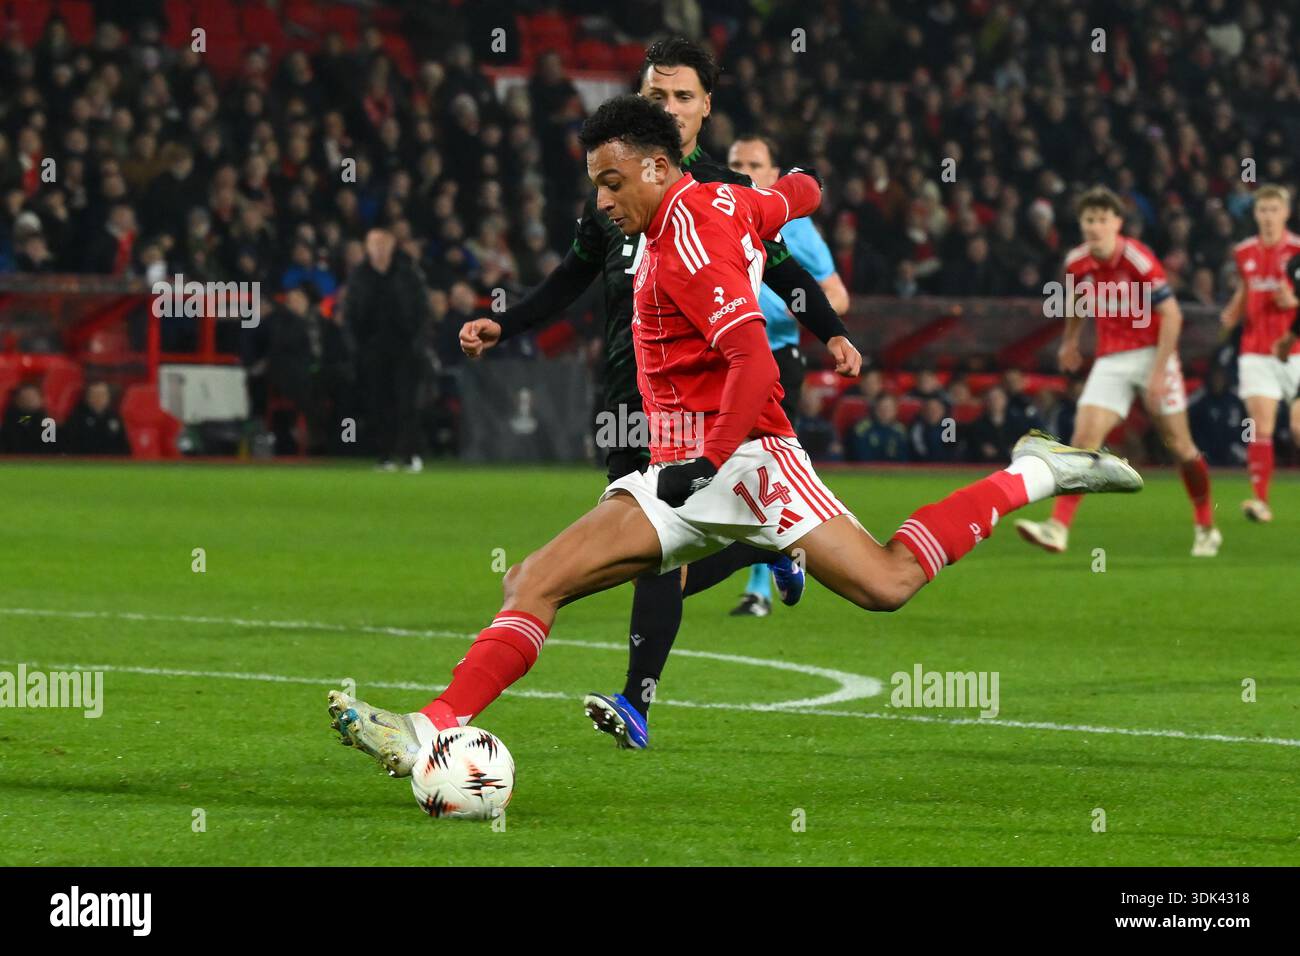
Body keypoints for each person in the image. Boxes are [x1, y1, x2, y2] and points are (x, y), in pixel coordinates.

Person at [327, 95, 1142, 780]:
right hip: (682, 464)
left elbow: (753, 363)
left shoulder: (688, 244)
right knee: (535, 580)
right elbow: (802, 191)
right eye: (596, 185)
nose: (603, 202)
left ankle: (1031, 473)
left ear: (656, 165)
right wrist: (793, 190)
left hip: (749, 462)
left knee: (886, 584)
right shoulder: (725, 198)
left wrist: (709, 460)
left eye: (612, 182)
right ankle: (428, 730)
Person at [456, 39, 861, 749]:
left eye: (681, 96)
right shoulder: (616, 184)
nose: (666, 107)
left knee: (657, 543)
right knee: (649, 548)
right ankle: (759, 552)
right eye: (655, 94)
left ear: (707, 107)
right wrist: (509, 322)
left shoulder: (718, 190)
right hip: (626, 386)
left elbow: (784, 269)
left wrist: (829, 332)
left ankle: (638, 694)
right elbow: (571, 276)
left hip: (703, 398)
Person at [1015, 186, 1220, 558]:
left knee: (1181, 448)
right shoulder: (1077, 261)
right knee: (1083, 439)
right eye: (1089, 219)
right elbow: (1076, 300)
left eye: (1102, 219)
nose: (1095, 226)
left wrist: (1159, 373)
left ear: (1118, 224)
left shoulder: (1138, 260)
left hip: (1153, 353)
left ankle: (1206, 525)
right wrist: (1070, 341)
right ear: (1082, 224)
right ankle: (1057, 527)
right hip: (1111, 359)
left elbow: (1172, 315)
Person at [725, 132, 851, 617]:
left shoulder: (795, 228)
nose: (744, 170)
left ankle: (760, 583)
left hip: (776, 360)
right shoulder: (718, 209)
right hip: (720, 361)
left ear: (776, 176)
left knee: (764, 470)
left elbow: (836, 295)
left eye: (755, 163)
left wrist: (777, 308)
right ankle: (772, 554)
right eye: (736, 161)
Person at [1217, 184, 1300, 523]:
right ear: (1255, 214)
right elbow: (1244, 288)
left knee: (1298, 427)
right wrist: (1230, 316)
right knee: (1259, 427)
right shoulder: (1243, 252)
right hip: (1254, 351)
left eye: (1274, 210)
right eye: (1262, 210)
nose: (1268, 216)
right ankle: (1260, 500)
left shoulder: (1297, 250)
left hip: (1294, 350)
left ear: (1286, 213)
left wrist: (1293, 302)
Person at [344, 228, 431, 472]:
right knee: (379, 403)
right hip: (372, 350)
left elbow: (422, 311)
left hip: (405, 347)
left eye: (383, 243)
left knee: (407, 402)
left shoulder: (408, 273)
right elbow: (350, 316)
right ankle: (385, 456)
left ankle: (410, 454)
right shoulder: (359, 277)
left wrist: (419, 343)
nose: (378, 249)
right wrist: (356, 349)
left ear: (392, 245)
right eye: (373, 244)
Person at [61, 381, 130, 455]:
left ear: (108, 398)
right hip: (84, 461)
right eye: (95, 395)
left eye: (102, 395)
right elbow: (71, 445)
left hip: (110, 462)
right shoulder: (77, 418)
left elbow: (124, 446)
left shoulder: (115, 418)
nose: (99, 398)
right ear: (88, 398)